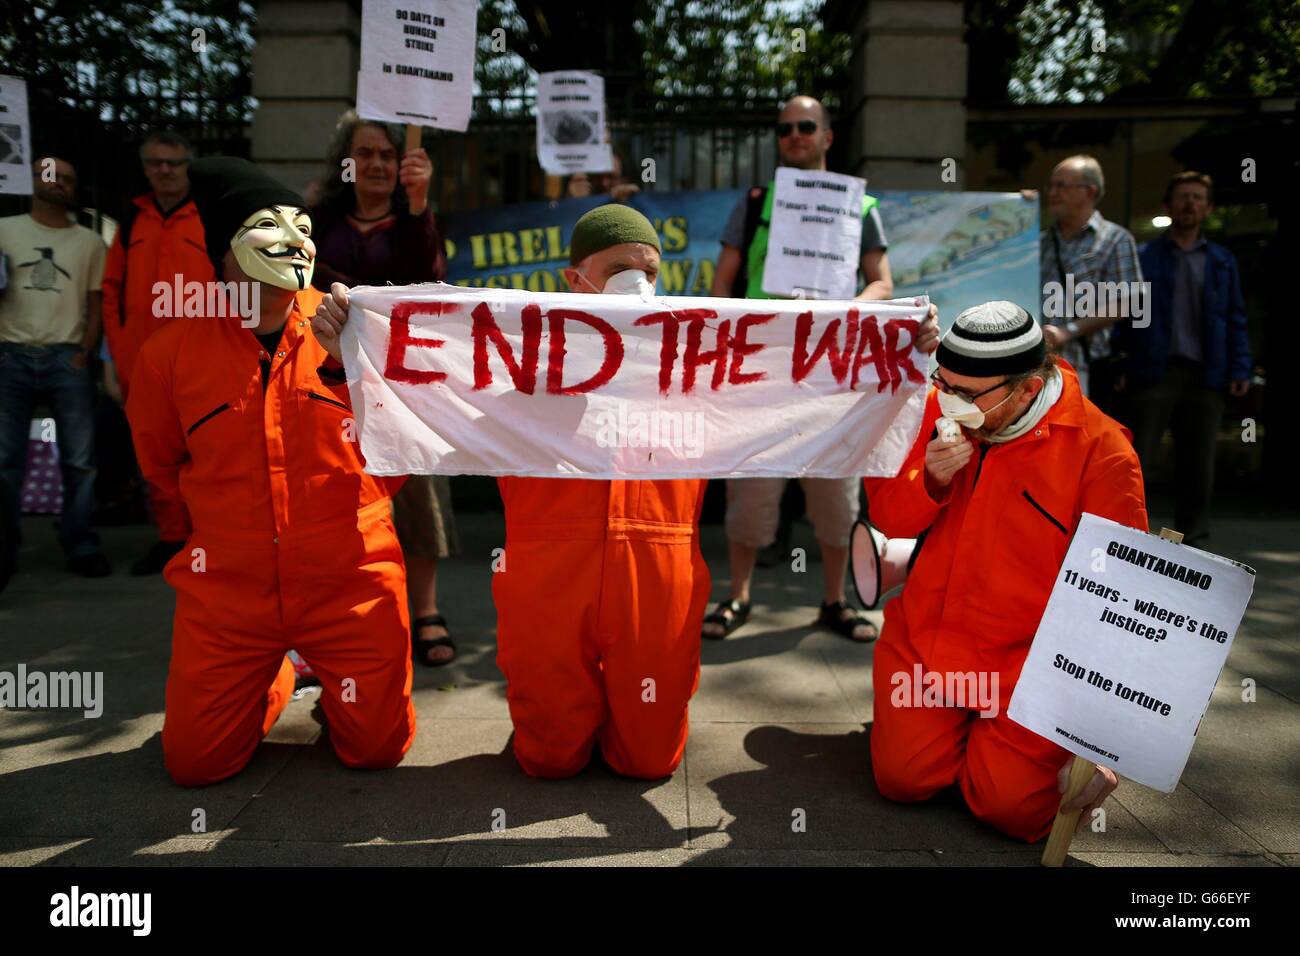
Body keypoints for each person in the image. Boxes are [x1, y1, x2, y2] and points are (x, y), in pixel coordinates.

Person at [313, 204, 712, 780]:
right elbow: (428, 405)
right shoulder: (517, 363)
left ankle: (624, 718)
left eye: (651, 270)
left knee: (650, 763)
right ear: (575, 281)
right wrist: (347, 358)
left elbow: (781, 395)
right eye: (621, 267)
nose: (640, 283)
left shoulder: (695, 363)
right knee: (547, 761)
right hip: (546, 571)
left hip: (660, 568)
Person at [126, 157, 415, 786]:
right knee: (195, 766)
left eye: (304, 225)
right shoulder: (168, 354)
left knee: (376, 750)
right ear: (223, 250)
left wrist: (345, 371)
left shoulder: (360, 329)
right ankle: (278, 671)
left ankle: (331, 674)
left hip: (351, 579)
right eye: (268, 224)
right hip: (231, 595)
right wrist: (214, 542)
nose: (296, 239)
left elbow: (398, 456)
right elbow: (161, 466)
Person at [864, 301, 1148, 842]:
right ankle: (957, 741)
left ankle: (994, 748)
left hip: (1029, 666)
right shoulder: (936, 406)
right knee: (901, 781)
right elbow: (886, 517)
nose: (949, 402)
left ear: (1027, 387)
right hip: (927, 639)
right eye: (942, 383)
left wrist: (1099, 738)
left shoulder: (1103, 449)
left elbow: (1122, 598)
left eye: (969, 395)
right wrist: (930, 484)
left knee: (1012, 812)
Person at [704, 94, 929, 643]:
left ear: (828, 137)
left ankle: (835, 600)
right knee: (752, 487)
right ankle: (737, 596)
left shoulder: (862, 207)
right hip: (764, 372)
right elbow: (721, 283)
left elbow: (883, 283)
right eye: (784, 129)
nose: (795, 136)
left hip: (833, 374)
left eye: (806, 126)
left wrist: (842, 314)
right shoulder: (756, 202)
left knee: (835, 491)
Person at [311, 109, 460, 667]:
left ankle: (424, 609)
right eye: (365, 154)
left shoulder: (417, 221)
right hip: (325, 378)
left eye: (387, 155)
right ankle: (336, 610)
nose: (376, 164)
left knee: (417, 491)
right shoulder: (315, 220)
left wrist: (419, 207)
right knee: (335, 495)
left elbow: (430, 289)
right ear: (345, 163)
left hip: (405, 383)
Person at [1111, 171, 1251, 546]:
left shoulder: (1221, 260)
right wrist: (1123, 363)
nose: (1190, 203)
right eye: (1183, 196)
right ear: (1168, 205)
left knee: (1198, 466)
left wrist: (1240, 367)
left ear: (1208, 208)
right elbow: (1127, 312)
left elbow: (1235, 316)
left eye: (1198, 198)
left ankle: (1193, 546)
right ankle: (1131, 539)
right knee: (1137, 462)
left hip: (1206, 375)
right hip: (1153, 371)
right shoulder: (1145, 256)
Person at [101, 130, 214, 575]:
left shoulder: (210, 214)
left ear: (190, 166)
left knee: (207, 451)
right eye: (155, 163)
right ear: (145, 168)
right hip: (140, 361)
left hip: (200, 358)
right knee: (156, 454)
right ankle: (171, 539)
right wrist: (113, 358)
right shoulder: (131, 220)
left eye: (175, 162)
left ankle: (208, 539)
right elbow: (111, 292)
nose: (165, 171)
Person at [0, 156, 111, 590]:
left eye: (68, 177)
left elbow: (97, 302)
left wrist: (85, 351)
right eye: (51, 175)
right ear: (33, 179)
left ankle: (80, 542)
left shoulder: (89, 243)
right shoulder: (5, 231)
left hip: (67, 357)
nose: (59, 182)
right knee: (3, 463)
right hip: (10, 354)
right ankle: (5, 545)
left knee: (80, 461)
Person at [1039, 155, 1143, 412]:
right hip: (1037, 369)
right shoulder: (1039, 241)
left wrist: (1067, 331)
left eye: (1061, 186)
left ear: (1090, 191)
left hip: (1086, 367)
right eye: (1051, 186)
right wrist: (1018, 209)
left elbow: (1126, 302)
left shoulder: (1115, 239)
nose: (1053, 193)